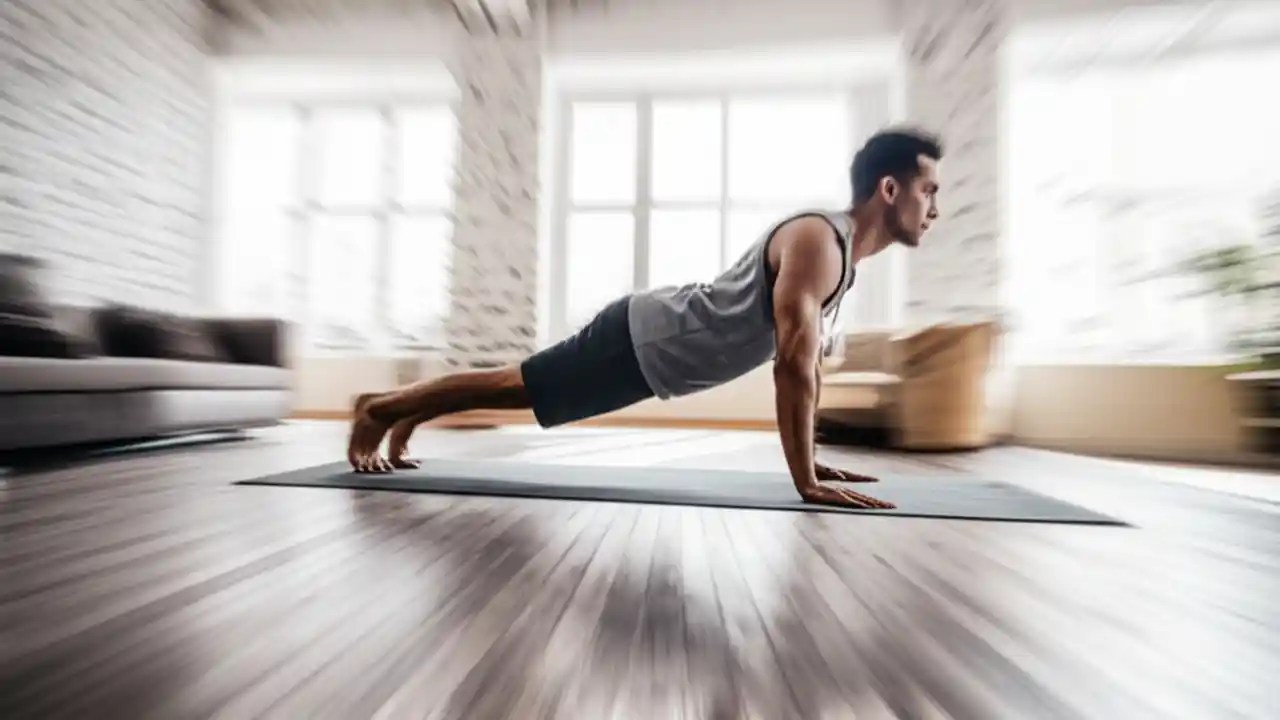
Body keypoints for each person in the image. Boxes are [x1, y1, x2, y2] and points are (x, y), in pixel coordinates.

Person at [346, 127, 942, 510]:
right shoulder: (820, 241)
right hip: (645, 338)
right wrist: (805, 482)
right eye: (928, 191)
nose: (934, 208)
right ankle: (380, 407)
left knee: (519, 389)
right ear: (889, 189)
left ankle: (405, 412)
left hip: (653, 351)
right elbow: (792, 365)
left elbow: (807, 362)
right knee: (518, 388)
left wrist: (811, 460)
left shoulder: (840, 259)